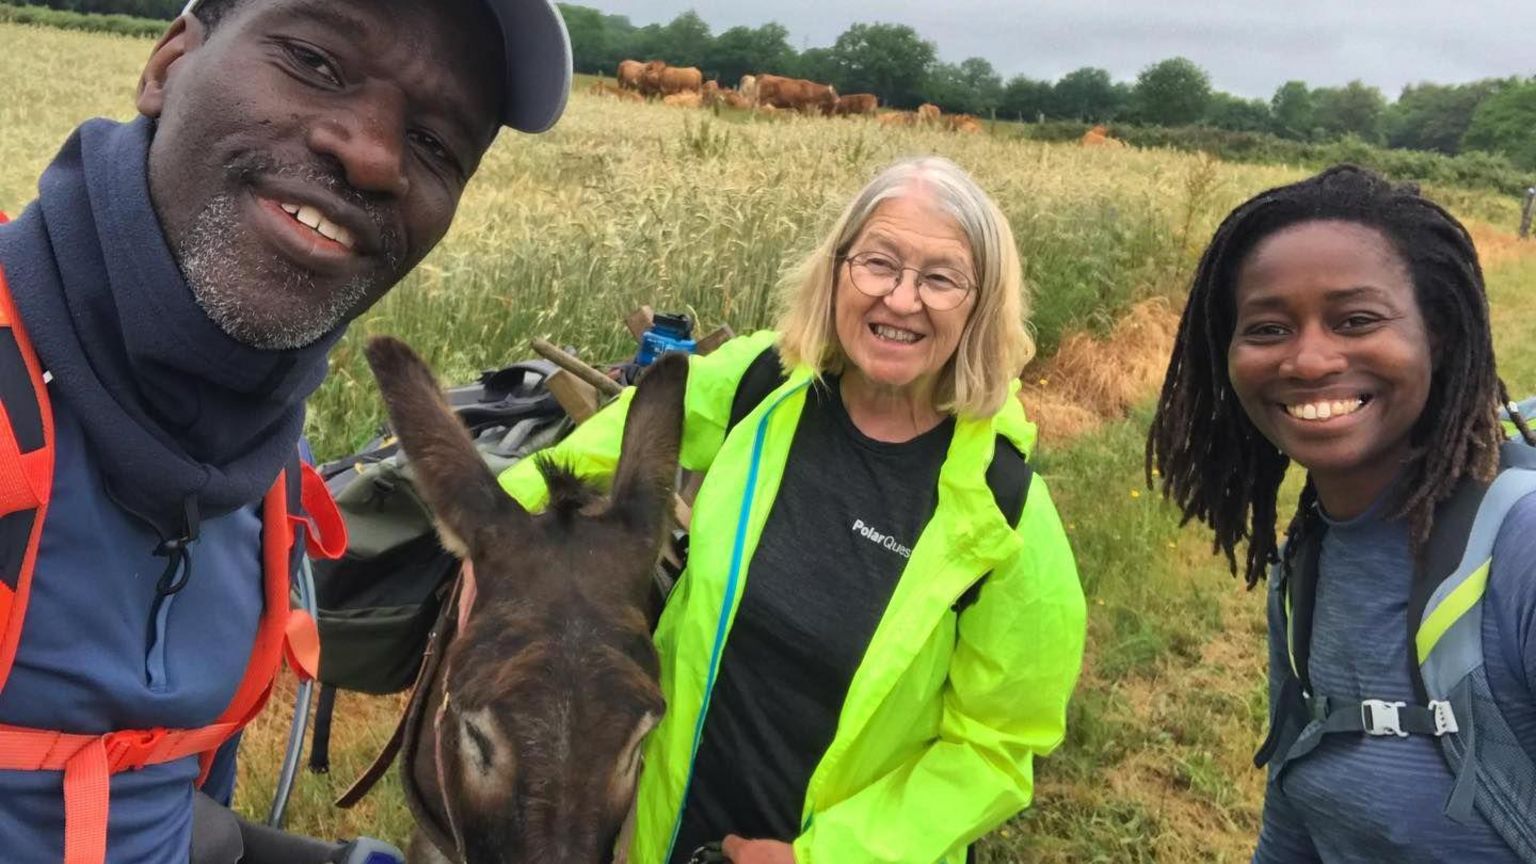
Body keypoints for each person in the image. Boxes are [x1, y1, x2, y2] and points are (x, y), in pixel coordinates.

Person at [0, 0, 571, 861]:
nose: (373, 155)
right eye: (314, 60)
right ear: (167, 66)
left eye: (434, 146)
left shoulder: (265, 477)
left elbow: (157, 811)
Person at [501, 156, 1087, 863]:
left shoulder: (1005, 514)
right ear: (837, 271)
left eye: (940, 278)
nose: (901, 300)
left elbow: (995, 751)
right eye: (878, 263)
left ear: (980, 303)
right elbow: (623, 431)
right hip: (663, 835)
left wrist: (824, 858)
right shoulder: (763, 384)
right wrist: (498, 529)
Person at [1146, 165, 1536, 862]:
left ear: (1437, 334)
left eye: (1356, 320)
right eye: (1268, 328)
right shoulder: (1306, 559)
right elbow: (1295, 808)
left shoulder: (1521, 551)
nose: (1310, 359)